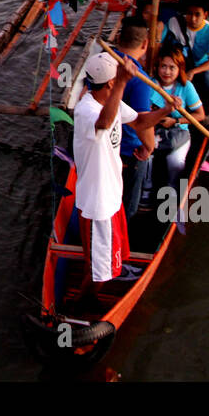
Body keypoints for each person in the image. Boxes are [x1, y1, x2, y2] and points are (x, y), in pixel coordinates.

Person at [71, 52, 138, 287]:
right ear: (111, 82)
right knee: (97, 268)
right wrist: (122, 83)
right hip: (97, 204)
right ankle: (83, 303)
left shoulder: (112, 103)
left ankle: (116, 267)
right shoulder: (85, 111)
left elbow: (139, 121)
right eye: (116, 80)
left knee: (111, 255)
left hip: (112, 195)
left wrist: (167, 111)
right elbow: (103, 123)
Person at [110, 19, 179, 215]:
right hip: (128, 150)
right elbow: (142, 123)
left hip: (102, 143)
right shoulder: (140, 80)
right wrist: (148, 147)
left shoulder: (103, 61)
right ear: (145, 45)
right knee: (127, 207)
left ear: (118, 38)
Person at [149, 47, 204, 193]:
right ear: (157, 67)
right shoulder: (149, 84)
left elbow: (200, 115)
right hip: (152, 130)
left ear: (180, 69)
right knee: (146, 158)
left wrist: (175, 121)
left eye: (172, 67)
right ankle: (146, 190)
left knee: (176, 162)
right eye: (163, 67)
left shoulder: (186, 87)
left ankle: (172, 188)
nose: (167, 72)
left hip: (178, 133)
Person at [162, 1, 209, 112]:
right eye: (189, 14)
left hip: (200, 69)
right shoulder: (174, 23)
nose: (193, 18)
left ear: (205, 15)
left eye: (197, 14)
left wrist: (193, 71)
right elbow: (159, 41)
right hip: (178, 65)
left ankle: (204, 110)